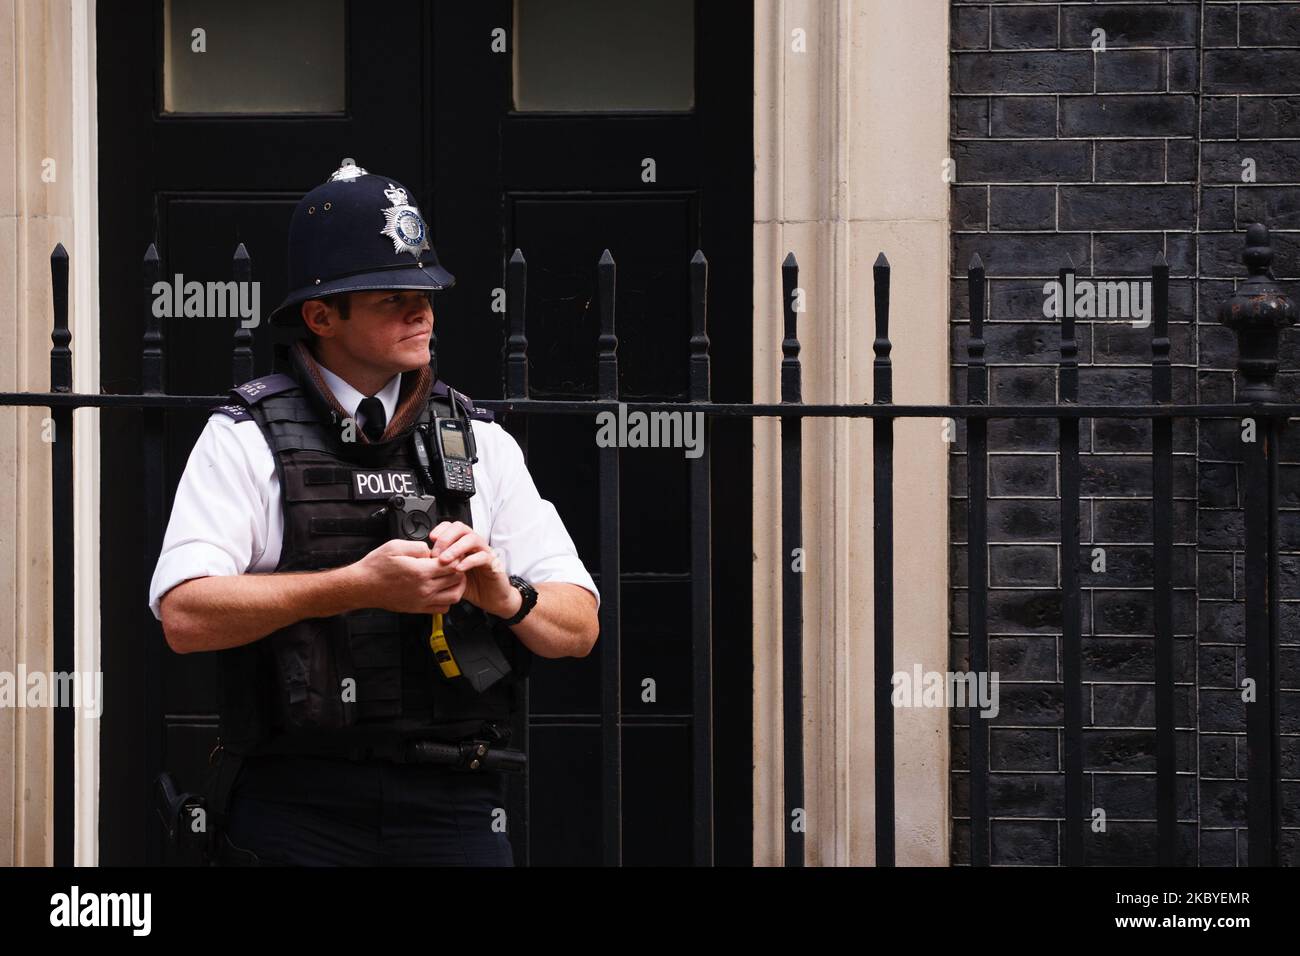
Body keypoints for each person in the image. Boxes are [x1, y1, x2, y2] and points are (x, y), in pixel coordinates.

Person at [148, 161, 600, 866]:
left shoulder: (480, 440)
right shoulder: (244, 437)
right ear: (322, 316)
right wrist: (356, 586)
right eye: (391, 297)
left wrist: (502, 594)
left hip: (453, 804)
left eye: (425, 292)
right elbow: (184, 614)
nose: (420, 311)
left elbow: (578, 627)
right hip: (295, 803)